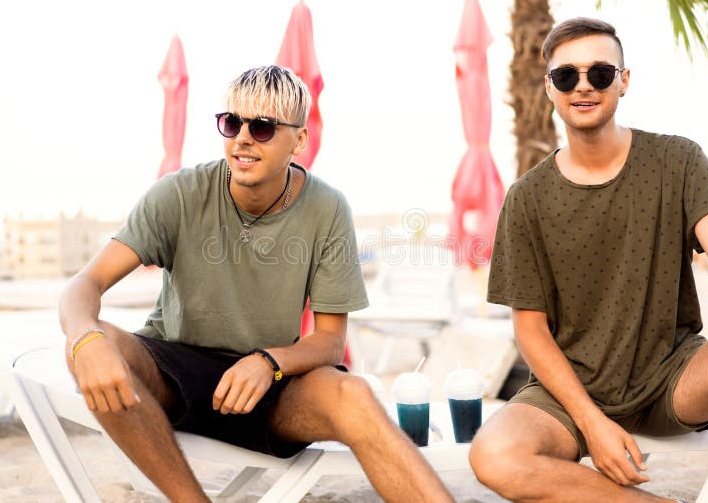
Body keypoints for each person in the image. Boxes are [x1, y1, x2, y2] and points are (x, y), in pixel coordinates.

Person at [59, 65, 454, 503]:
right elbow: (85, 283)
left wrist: (269, 362)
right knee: (91, 346)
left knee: (353, 393)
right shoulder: (179, 194)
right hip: (174, 373)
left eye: (263, 127)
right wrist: (86, 337)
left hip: (270, 387)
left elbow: (328, 342)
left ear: (299, 141)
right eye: (232, 123)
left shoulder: (327, 208)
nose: (243, 138)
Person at [470, 18, 708, 502]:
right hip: (569, 392)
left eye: (600, 73)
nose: (583, 86)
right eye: (567, 76)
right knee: (493, 455)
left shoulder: (677, 160)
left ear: (623, 80)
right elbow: (530, 329)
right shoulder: (527, 198)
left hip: (672, 376)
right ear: (550, 89)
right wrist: (592, 423)